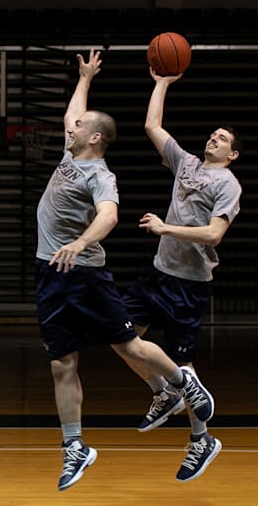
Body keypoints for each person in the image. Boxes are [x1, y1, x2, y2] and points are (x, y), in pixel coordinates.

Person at [36, 49, 217, 491]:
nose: (71, 126)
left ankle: (181, 384)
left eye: (79, 127)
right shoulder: (69, 154)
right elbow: (73, 113)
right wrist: (84, 79)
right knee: (62, 364)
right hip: (49, 273)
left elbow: (110, 216)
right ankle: (75, 447)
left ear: (94, 139)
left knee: (131, 347)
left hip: (84, 275)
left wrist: (81, 242)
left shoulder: (99, 174)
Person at [121, 67, 243, 482]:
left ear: (232, 155)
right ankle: (162, 392)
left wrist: (164, 227)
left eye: (222, 138)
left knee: (185, 366)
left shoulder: (228, 184)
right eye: (213, 134)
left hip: (188, 285)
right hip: (157, 274)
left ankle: (201, 438)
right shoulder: (186, 163)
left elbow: (213, 235)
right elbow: (152, 125)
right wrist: (162, 82)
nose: (214, 138)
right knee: (120, 337)